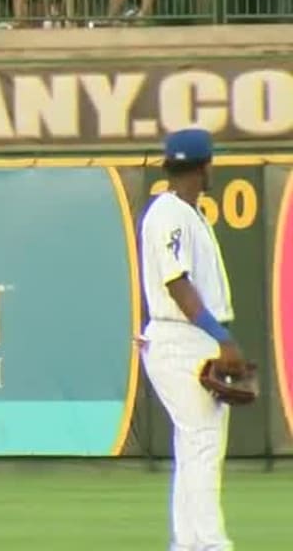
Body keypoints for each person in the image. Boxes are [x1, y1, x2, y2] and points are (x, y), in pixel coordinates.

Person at [138, 127, 244, 551]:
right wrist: (222, 338)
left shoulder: (184, 211)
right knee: (202, 443)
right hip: (182, 337)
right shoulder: (169, 213)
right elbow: (177, 283)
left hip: (183, 337)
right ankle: (210, 544)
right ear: (204, 166)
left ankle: (188, 544)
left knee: (193, 443)